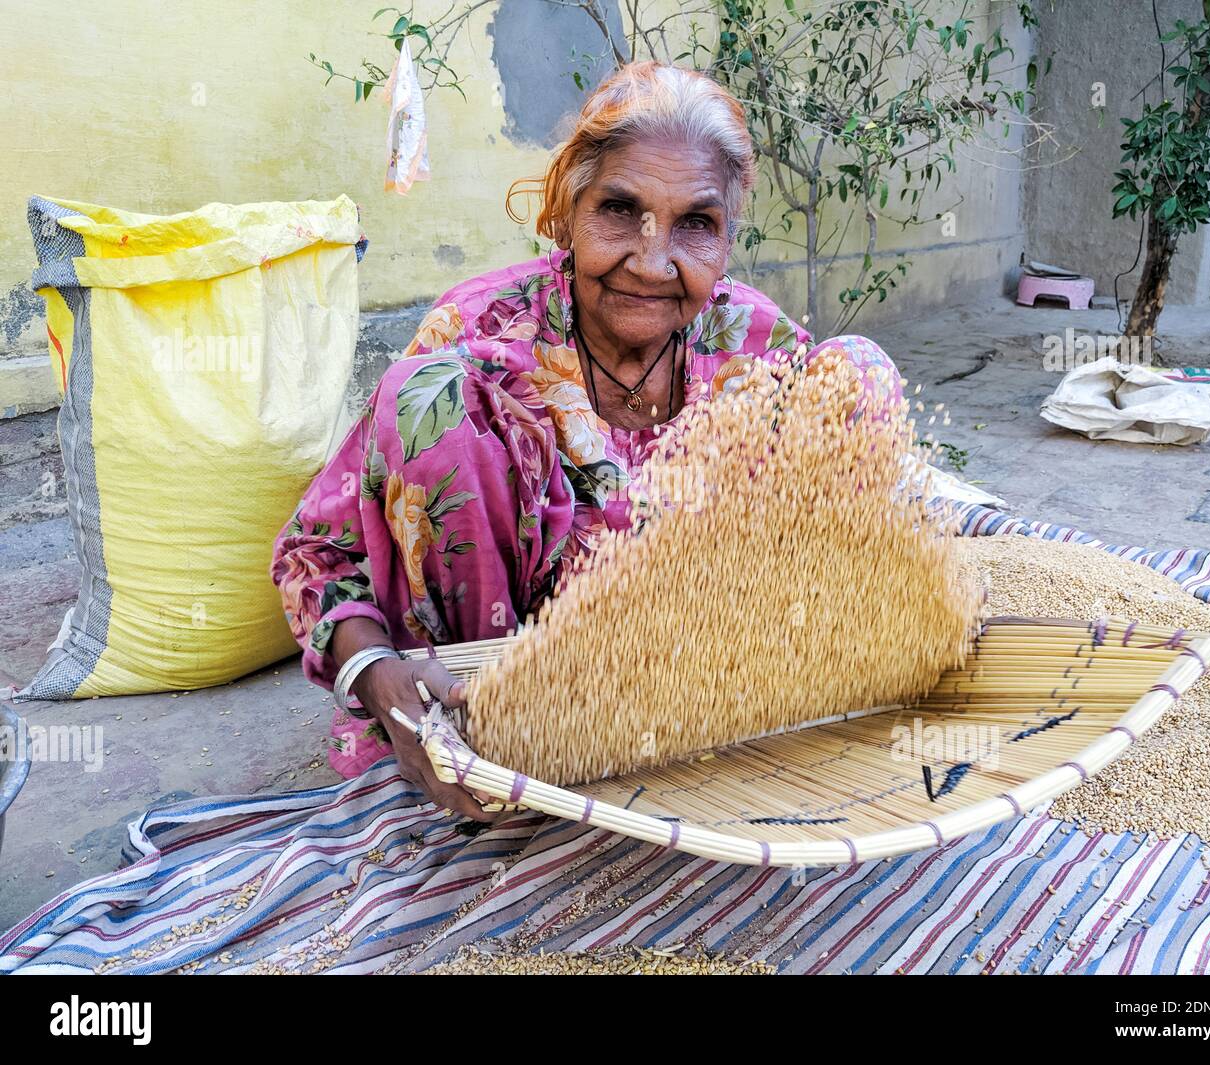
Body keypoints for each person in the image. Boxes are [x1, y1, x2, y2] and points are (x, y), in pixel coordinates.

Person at [271, 61, 902, 820]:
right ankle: (501, 742)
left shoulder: (752, 342)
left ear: (727, 239)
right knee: (429, 399)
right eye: (620, 211)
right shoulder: (480, 331)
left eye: (694, 224)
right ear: (567, 212)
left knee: (859, 374)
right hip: (499, 702)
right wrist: (373, 671)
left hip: (694, 701)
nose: (651, 259)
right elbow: (317, 553)